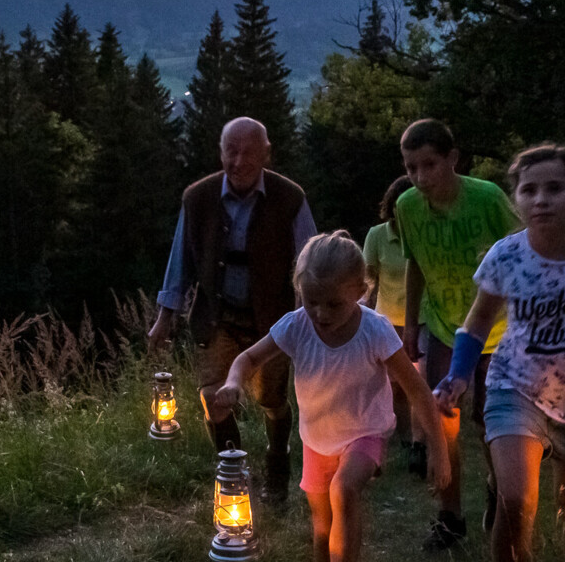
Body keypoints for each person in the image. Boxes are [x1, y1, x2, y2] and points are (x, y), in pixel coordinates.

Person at [215, 231, 451, 562]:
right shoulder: (296, 326)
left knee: (344, 490)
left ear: (359, 291)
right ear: (300, 291)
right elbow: (249, 358)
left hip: (365, 433)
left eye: (333, 304)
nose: (321, 313)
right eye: (311, 301)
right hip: (317, 439)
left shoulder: (375, 330)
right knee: (322, 529)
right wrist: (234, 382)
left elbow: (418, 392)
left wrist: (439, 450)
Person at [147, 116, 317, 502]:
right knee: (213, 396)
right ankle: (234, 475)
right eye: (230, 151)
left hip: (271, 321)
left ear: (267, 154)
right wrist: (164, 317)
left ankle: (278, 458)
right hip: (217, 318)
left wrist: (309, 319)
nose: (238, 161)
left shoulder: (290, 198)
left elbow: (310, 263)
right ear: (220, 151)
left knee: (271, 400)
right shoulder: (198, 197)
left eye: (249, 153)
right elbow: (180, 261)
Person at [434, 144, 565, 562]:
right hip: (515, 385)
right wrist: (457, 375)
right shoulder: (506, 256)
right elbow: (477, 323)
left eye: (555, 188)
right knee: (515, 500)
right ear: (517, 198)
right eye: (529, 190)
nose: (541, 199)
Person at [395, 118, 519, 551]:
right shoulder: (408, 206)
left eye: (429, 164)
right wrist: (410, 325)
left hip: (499, 331)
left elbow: (522, 252)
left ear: (453, 159)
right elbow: (414, 263)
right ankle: (450, 518)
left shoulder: (487, 199)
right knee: (440, 418)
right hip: (446, 327)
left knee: (493, 423)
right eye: (411, 167)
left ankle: (502, 495)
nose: (420, 176)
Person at [362, 175, 427, 473]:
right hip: (387, 320)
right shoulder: (377, 235)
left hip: (425, 319)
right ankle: (401, 439)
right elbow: (367, 277)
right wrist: (358, 308)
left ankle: (419, 444)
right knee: (391, 386)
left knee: (419, 382)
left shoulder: (427, 231)